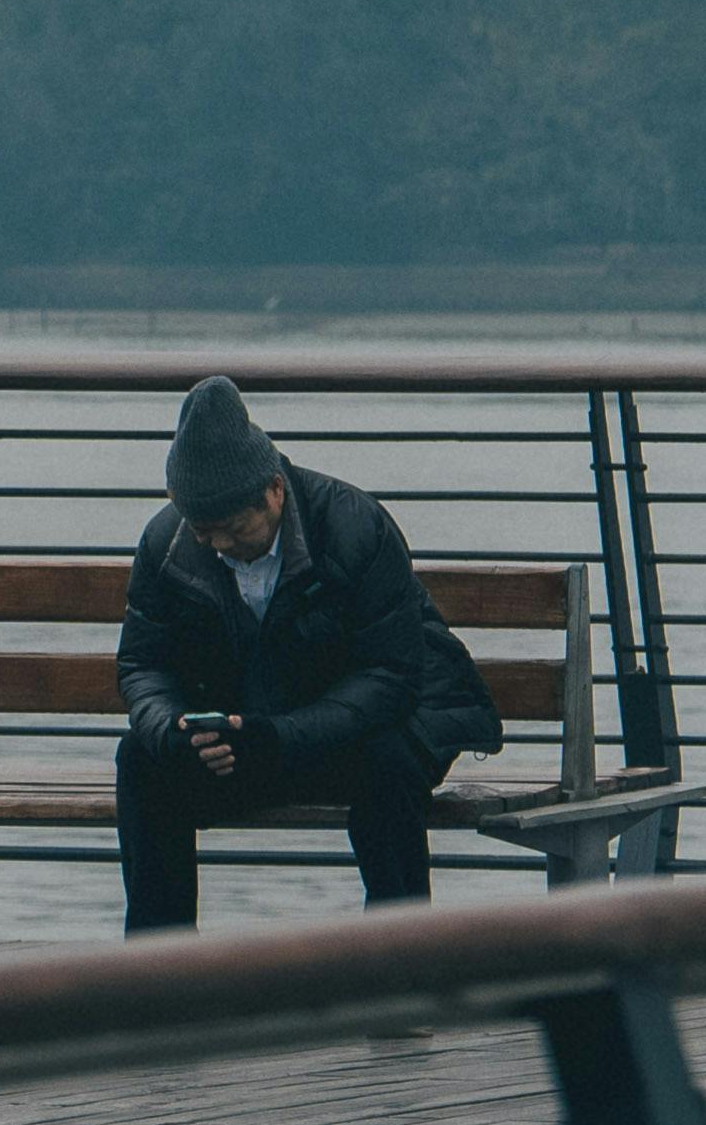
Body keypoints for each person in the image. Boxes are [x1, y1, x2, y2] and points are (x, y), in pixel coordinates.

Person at [114, 377, 502, 934]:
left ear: (274, 491)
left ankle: (400, 969)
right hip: (249, 739)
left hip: (352, 735)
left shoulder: (354, 525)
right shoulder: (167, 545)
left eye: (233, 528)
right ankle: (162, 980)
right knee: (142, 761)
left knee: (390, 765)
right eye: (204, 531)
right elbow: (142, 665)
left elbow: (391, 677)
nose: (219, 544)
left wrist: (279, 734)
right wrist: (174, 731)